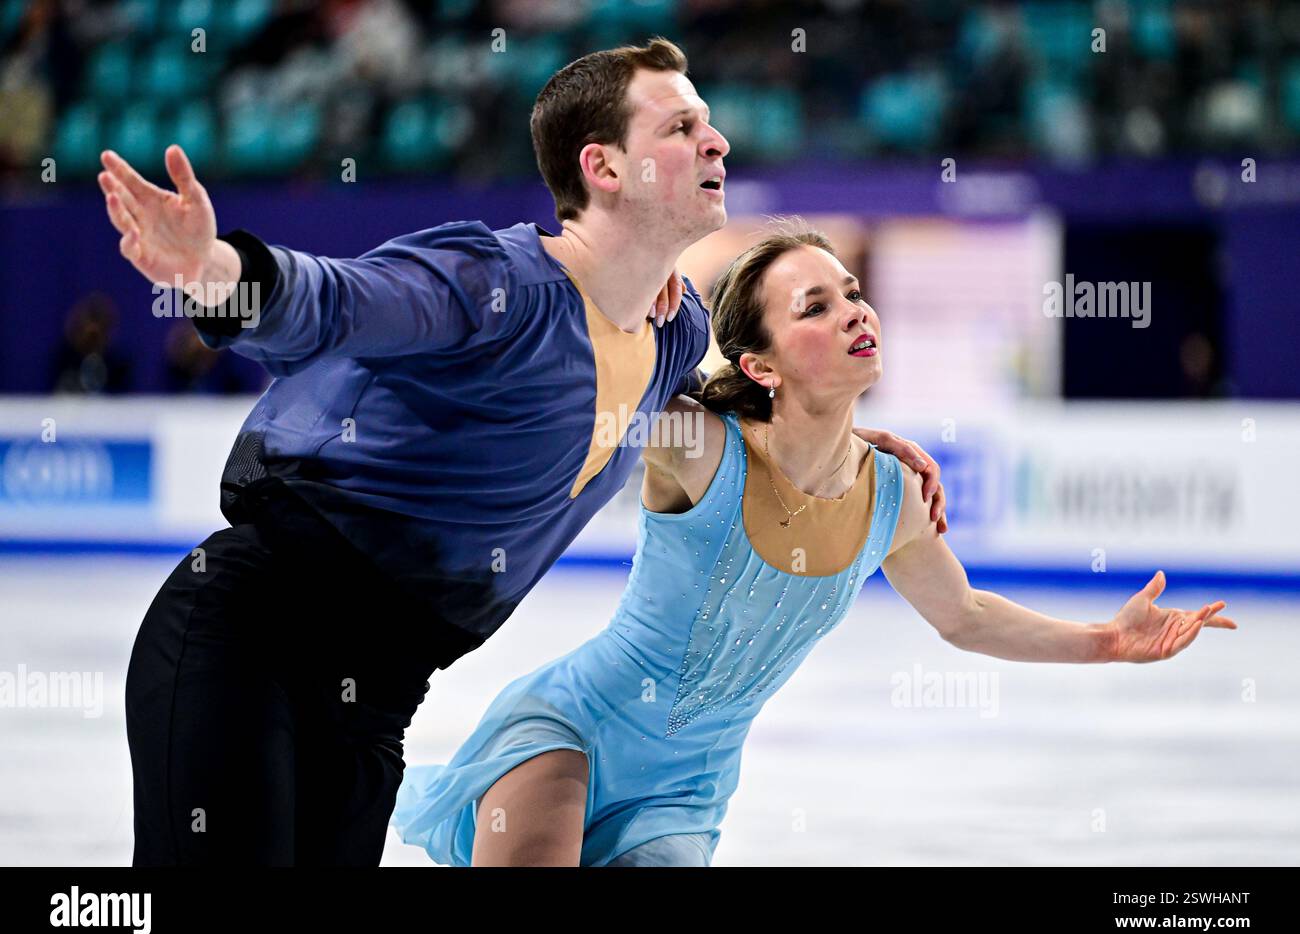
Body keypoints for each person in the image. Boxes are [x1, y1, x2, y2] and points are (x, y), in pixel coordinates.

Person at [99, 39, 948, 865]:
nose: (716, 139)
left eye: (709, 124)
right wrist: (210, 269)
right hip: (249, 635)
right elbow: (336, 300)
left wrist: (832, 431)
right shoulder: (493, 284)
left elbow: (726, 402)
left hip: (374, 703)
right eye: (681, 127)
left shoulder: (677, 326)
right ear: (604, 168)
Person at [391, 224, 1237, 867]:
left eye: (851, 292)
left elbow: (966, 616)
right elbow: (597, 389)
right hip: (571, 728)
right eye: (816, 307)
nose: (854, 311)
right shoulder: (699, 446)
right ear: (759, 365)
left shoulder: (894, 496)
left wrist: (1108, 643)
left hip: (688, 790)